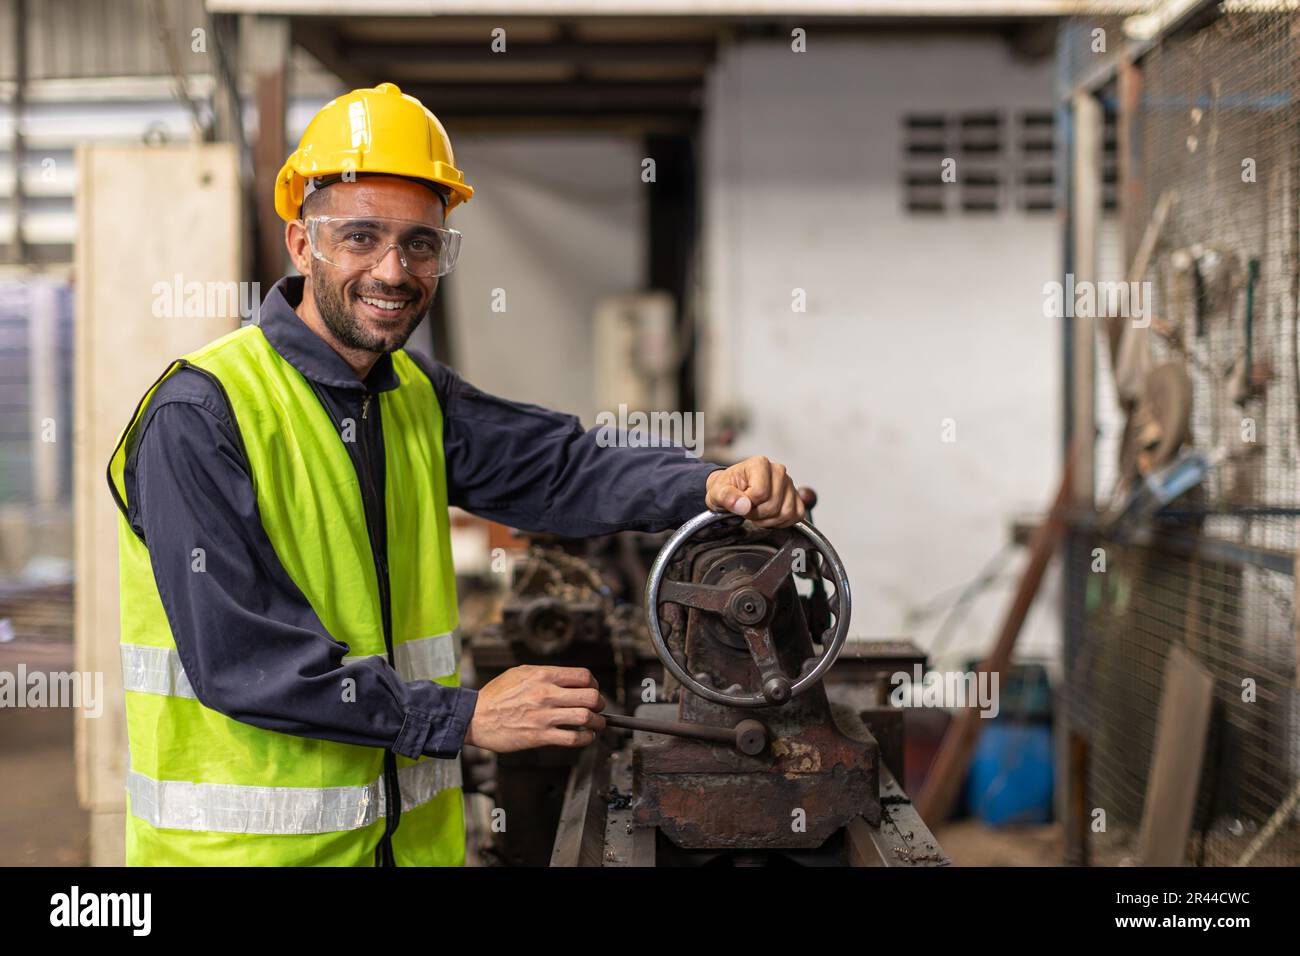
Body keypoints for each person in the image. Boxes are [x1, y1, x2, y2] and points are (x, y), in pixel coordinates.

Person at [107, 82, 805, 866]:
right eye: (361, 238)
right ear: (303, 245)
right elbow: (245, 662)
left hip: (404, 851)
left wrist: (709, 487)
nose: (393, 271)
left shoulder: (413, 395)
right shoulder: (202, 415)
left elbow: (562, 468)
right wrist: (464, 718)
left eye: (421, 244)